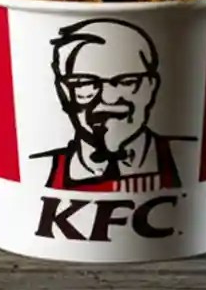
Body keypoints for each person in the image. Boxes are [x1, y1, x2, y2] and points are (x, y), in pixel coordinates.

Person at [31, 18, 192, 192]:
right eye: (85, 83)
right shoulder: (37, 170)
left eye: (127, 82)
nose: (109, 99)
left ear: (151, 87)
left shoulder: (190, 157)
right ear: (63, 92)